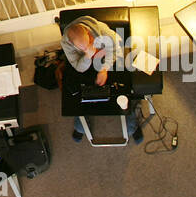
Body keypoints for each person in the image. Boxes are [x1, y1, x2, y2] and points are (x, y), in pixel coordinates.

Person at [61, 15, 142, 143]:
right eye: (82, 47)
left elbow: (118, 47)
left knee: (125, 88)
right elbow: (78, 67)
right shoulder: (66, 43)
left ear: (88, 33)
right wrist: (87, 55)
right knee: (79, 93)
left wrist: (104, 68)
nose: (88, 46)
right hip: (86, 66)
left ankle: (131, 122)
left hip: (108, 60)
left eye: (89, 42)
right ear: (72, 44)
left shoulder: (101, 29)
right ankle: (81, 122)